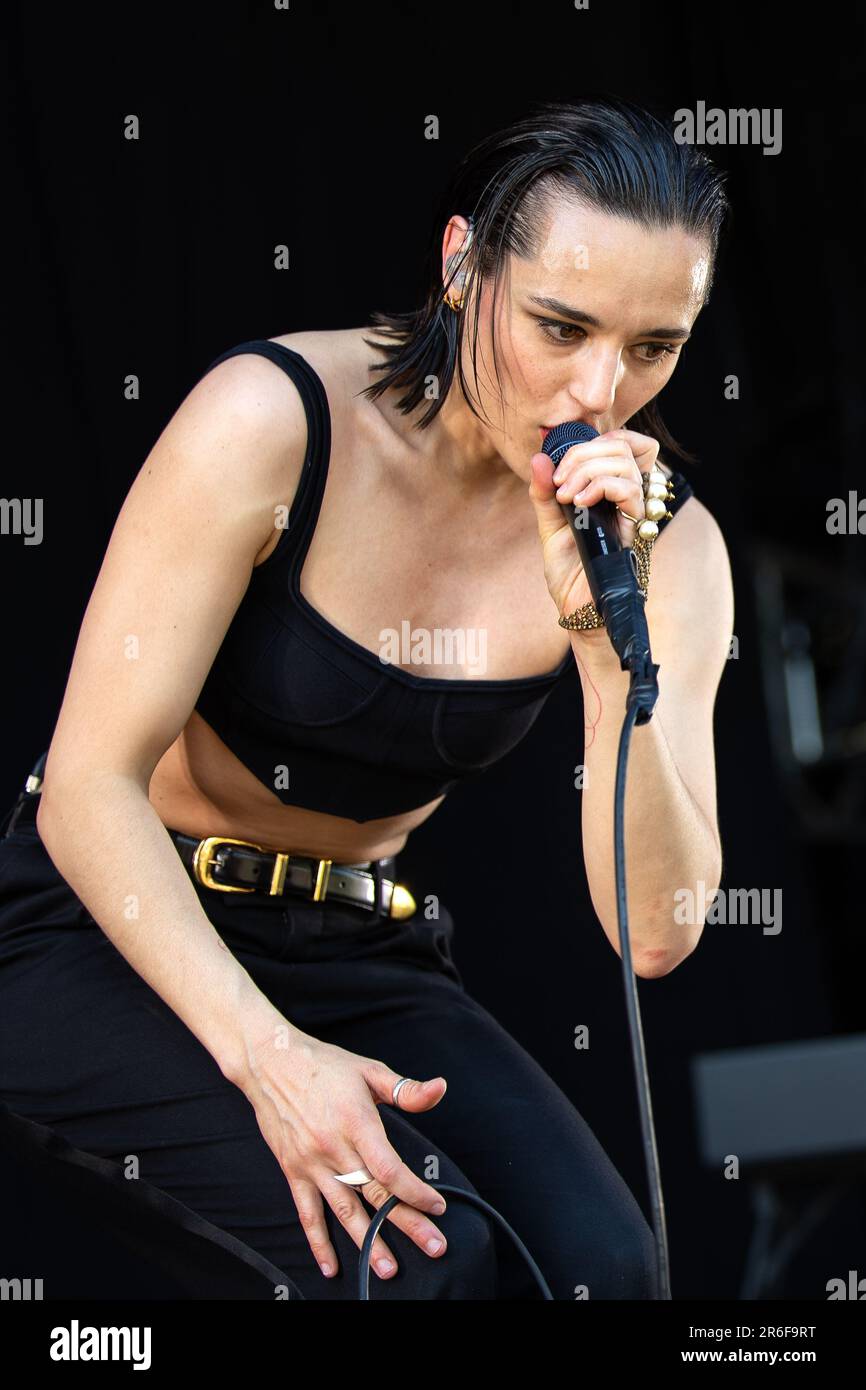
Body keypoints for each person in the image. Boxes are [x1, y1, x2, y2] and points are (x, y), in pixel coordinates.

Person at [0, 97, 734, 1300]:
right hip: (107, 924)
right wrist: (272, 1063)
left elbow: (652, 934)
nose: (596, 389)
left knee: (609, 1269)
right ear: (462, 266)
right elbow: (86, 788)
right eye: (558, 326)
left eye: (653, 347)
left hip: (354, 941)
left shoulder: (669, 549)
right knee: (420, 1274)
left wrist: (606, 652)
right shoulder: (273, 417)